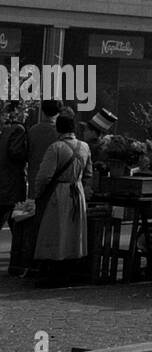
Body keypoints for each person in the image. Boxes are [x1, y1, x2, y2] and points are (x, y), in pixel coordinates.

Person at [31, 112, 90, 286]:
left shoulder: (55, 148)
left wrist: (38, 193)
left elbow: (44, 176)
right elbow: (89, 174)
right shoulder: (85, 147)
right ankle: (69, 272)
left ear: (58, 129)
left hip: (58, 194)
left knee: (55, 232)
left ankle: (54, 275)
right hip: (77, 192)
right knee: (73, 233)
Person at [1, 100, 30, 232]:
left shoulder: (6, 130)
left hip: (5, 183)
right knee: (17, 223)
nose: (26, 115)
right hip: (12, 185)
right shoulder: (19, 129)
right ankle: (19, 251)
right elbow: (16, 152)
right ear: (16, 112)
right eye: (25, 111)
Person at [26, 98, 61, 179]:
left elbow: (27, 154)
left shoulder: (33, 130)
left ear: (42, 111)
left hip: (35, 175)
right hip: (53, 177)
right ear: (58, 113)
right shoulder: (60, 132)